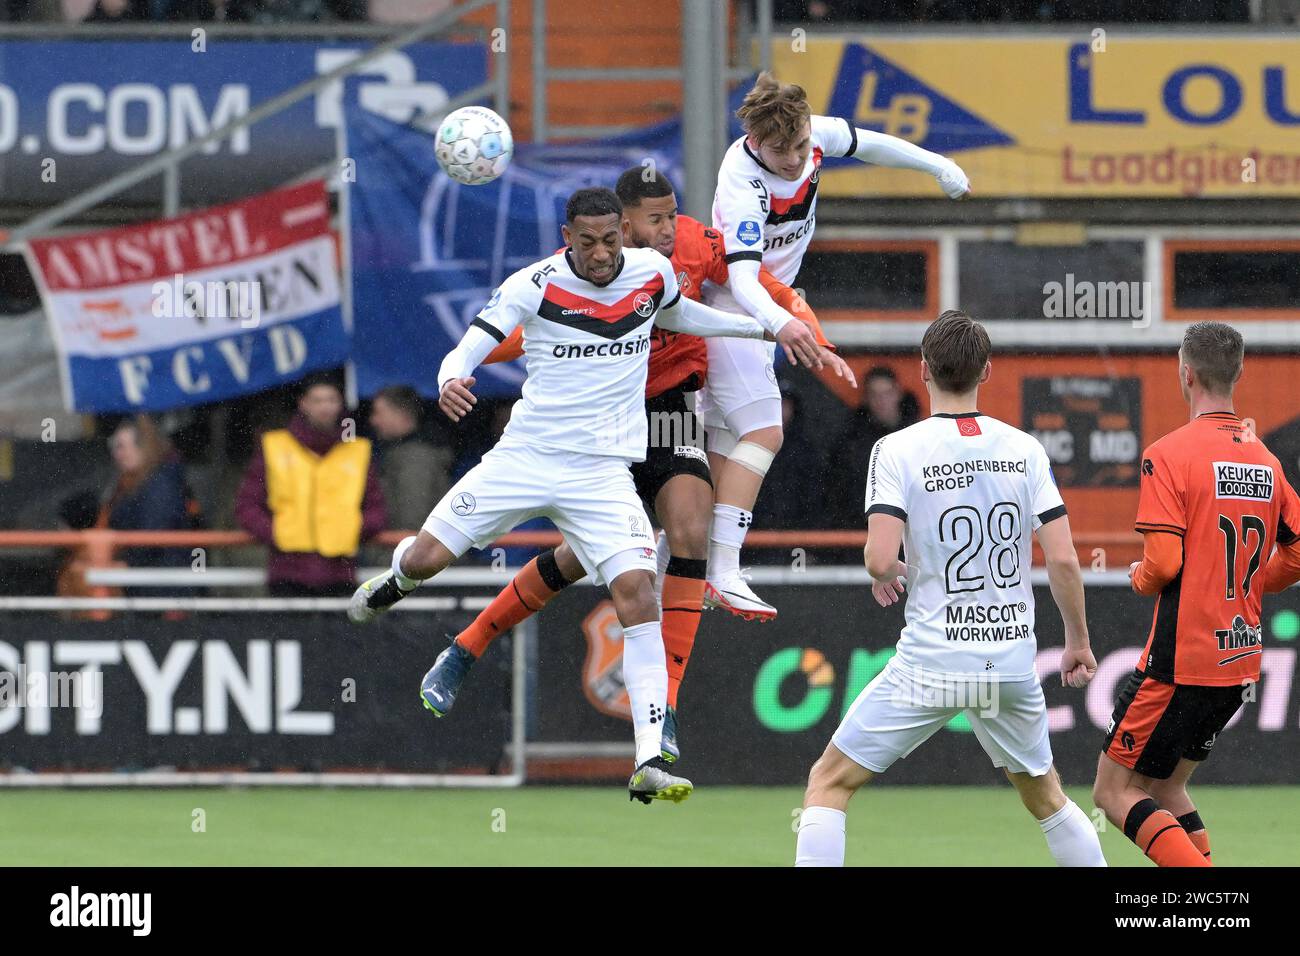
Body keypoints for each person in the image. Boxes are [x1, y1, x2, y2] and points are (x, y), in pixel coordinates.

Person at [348, 187, 813, 804]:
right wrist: (452, 376)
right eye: (587, 242)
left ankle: (650, 757)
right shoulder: (532, 284)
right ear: (567, 236)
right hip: (525, 458)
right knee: (428, 559)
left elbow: (678, 315)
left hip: (601, 474)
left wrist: (758, 327)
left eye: (610, 239)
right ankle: (397, 579)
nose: (600, 254)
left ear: (623, 231)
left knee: (636, 590)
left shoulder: (651, 272)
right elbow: (473, 342)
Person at [795, 310, 1104, 867]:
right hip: (1009, 663)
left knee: (829, 784)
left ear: (924, 370)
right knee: (1050, 800)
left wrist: (892, 572)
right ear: (986, 370)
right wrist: (1077, 641)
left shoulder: (897, 449)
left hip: (933, 662)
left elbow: (877, 557)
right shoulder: (1024, 448)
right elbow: (1061, 558)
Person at [700, 71, 970, 621]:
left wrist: (937, 165)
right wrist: (783, 325)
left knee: (726, 449)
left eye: (802, 145)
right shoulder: (741, 185)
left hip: (765, 316)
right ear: (756, 143)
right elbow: (745, 282)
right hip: (734, 310)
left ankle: (678, 555)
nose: (797, 158)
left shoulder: (807, 133)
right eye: (782, 152)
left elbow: (870, 143)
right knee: (765, 429)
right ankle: (723, 570)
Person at [1092, 321, 1300, 867]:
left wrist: (1137, 576)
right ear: (1240, 374)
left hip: (1179, 663)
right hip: (1239, 661)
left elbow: (1162, 564)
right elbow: (1298, 550)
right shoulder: (1266, 461)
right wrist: (1256, 582)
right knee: (1163, 788)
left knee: (1112, 794)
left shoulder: (1169, 454)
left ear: (1186, 375)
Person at [235, 375, 387, 598]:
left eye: (331, 400)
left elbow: (377, 509)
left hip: (340, 573)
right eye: (317, 400)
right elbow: (246, 505)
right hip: (287, 573)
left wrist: (352, 529)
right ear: (303, 403)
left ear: (340, 404)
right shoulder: (274, 447)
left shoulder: (358, 451)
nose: (324, 407)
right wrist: (277, 533)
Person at [100, 415, 200, 597]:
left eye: (122, 446)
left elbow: (154, 531)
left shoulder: (160, 483)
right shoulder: (134, 483)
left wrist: (128, 564)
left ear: (142, 447)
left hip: (162, 584)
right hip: (153, 580)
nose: (117, 454)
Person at [826, 366, 919, 530]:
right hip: (861, 530)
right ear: (866, 399)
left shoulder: (918, 436)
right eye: (874, 395)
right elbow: (840, 492)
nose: (881, 401)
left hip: (910, 529)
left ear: (898, 394)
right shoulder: (851, 443)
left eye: (886, 393)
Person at [369, 384, 453, 533]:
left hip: (406, 551)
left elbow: (412, 525)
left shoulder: (415, 460)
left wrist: (381, 555)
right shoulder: (401, 454)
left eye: (378, 413)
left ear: (402, 414)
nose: (373, 421)